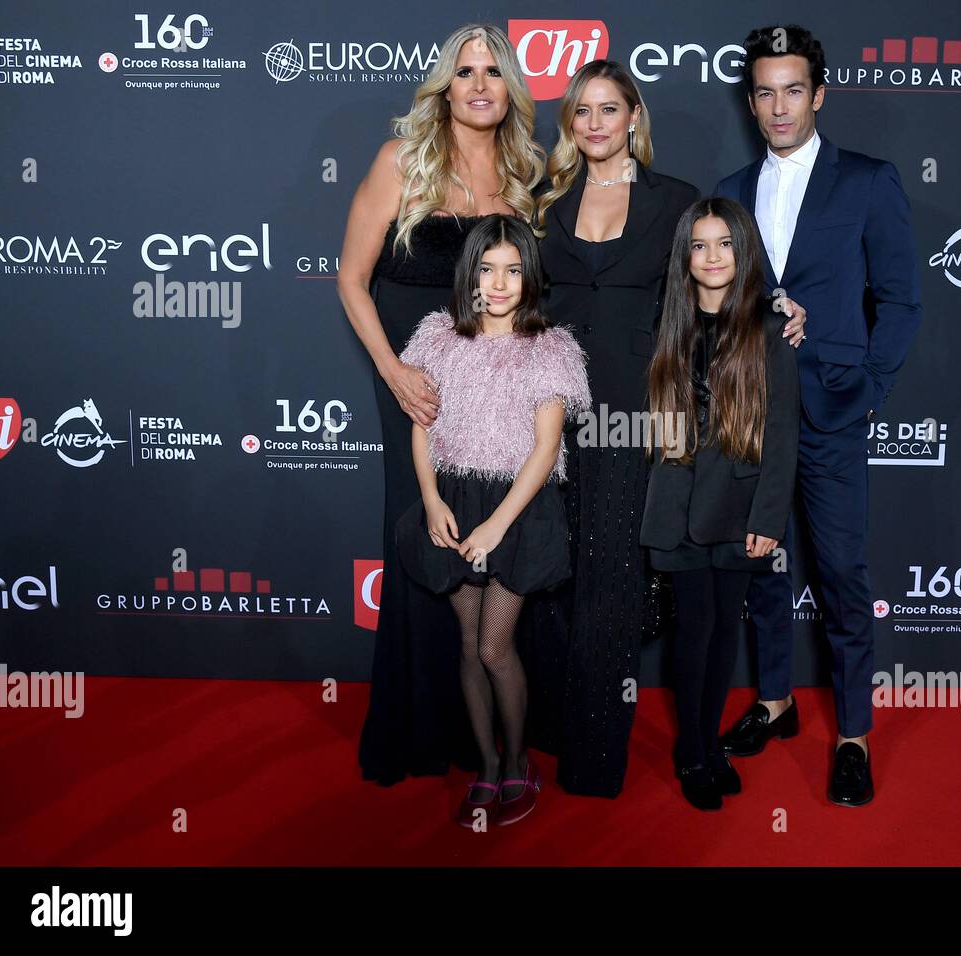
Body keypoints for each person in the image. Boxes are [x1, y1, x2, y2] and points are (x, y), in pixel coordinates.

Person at [524, 60, 807, 798]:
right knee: (551, 575)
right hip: (549, 411)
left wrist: (779, 307)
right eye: (582, 110)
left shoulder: (674, 200)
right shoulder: (545, 201)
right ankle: (545, 729)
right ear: (569, 123)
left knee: (611, 586)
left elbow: (718, 277)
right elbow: (517, 295)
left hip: (633, 418)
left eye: (609, 108)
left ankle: (595, 756)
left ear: (633, 118)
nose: (595, 123)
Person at [714, 25, 923, 806]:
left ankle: (854, 735)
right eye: (765, 92)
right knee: (763, 569)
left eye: (793, 90)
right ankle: (774, 700)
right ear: (751, 102)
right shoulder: (731, 191)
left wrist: (866, 387)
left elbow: (900, 299)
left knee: (840, 576)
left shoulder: (867, 181)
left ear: (819, 94)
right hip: (752, 418)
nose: (779, 107)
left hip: (832, 413)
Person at [336, 23, 545, 786]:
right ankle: (420, 729)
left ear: (511, 88)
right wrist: (393, 372)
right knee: (423, 536)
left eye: (493, 72)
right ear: (444, 87)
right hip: (416, 386)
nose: (480, 85)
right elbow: (351, 278)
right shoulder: (402, 161)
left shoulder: (526, 173)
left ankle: (490, 731)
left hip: (496, 385)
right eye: (465, 72)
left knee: (495, 533)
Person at [396, 215, 590, 827]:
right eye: (487, 269)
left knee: (493, 645)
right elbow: (422, 427)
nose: (499, 283)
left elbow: (546, 450)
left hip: (518, 510)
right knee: (467, 645)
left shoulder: (551, 348)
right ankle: (484, 764)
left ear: (530, 277)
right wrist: (431, 500)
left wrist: (498, 527)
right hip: (454, 502)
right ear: (469, 274)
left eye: (513, 270)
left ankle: (517, 760)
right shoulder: (437, 337)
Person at [640, 198, 800, 810]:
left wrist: (768, 517)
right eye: (700, 245)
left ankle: (708, 745)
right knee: (694, 630)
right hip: (676, 506)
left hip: (738, 509)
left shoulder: (770, 328)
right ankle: (693, 749)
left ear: (743, 250)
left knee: (723, 632)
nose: (712, 257)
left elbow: (782, 432)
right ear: (685, 255)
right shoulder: (666, 323)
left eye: (724, 244)